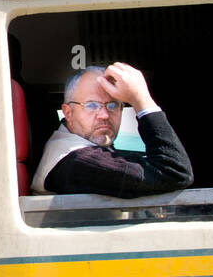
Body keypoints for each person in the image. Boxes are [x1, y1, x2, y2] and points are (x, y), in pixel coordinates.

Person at [31, 63, 193, 197]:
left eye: (112, 105)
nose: (104, 115)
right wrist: (140, 99)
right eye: (91, 105)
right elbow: (175, 172)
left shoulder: (84, 148)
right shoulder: (76, 159)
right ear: (68, 113)